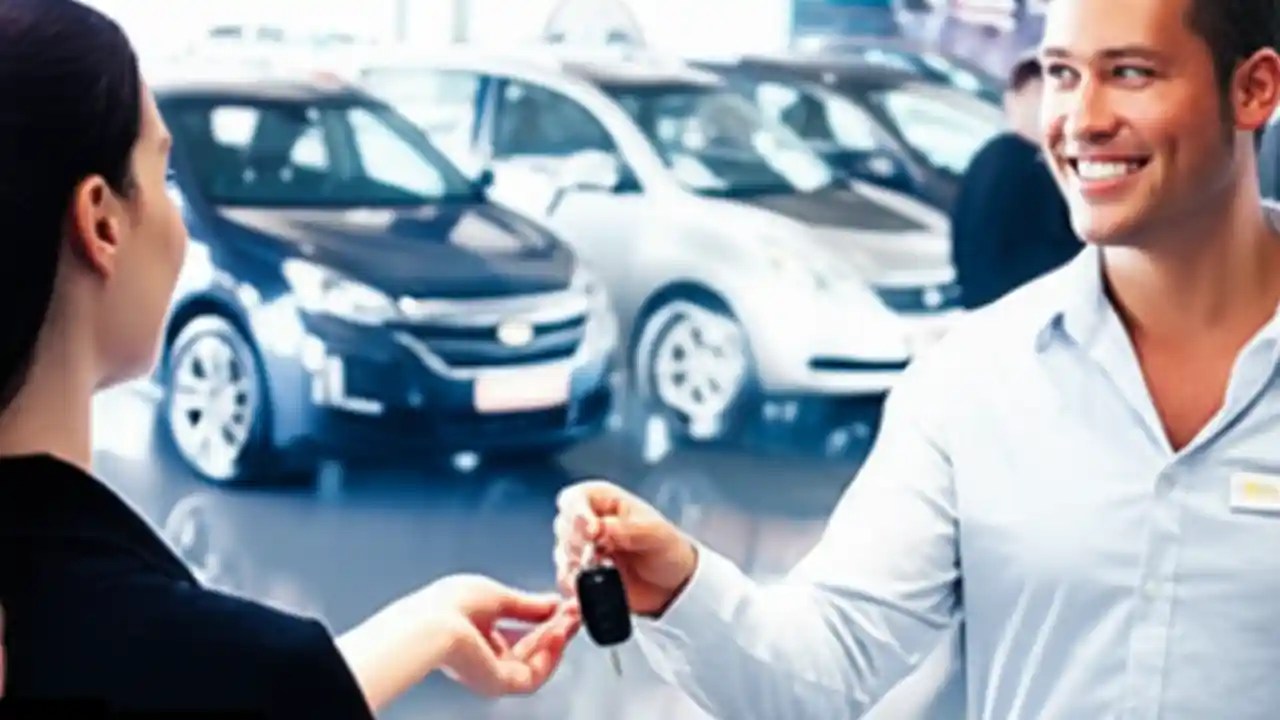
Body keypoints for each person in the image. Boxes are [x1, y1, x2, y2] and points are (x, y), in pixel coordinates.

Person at [554, 0, 1280, 717]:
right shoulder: (975, 377)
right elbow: (823, 670)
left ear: (1253, 90)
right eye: (1062, 73)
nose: (1081, 119)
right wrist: (682, 586)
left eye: (1129, 73)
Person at [0, 1, 578, 715]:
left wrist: (426, 627)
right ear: (101, 221)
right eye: (166, 177)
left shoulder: (101, 632)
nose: (176, 216)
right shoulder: (173, 649)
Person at [950, 52, 1081, 310]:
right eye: (1036, 96)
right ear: (1013, 101)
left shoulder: (1004, 158)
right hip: (1017, 311)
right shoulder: (1013, 164)